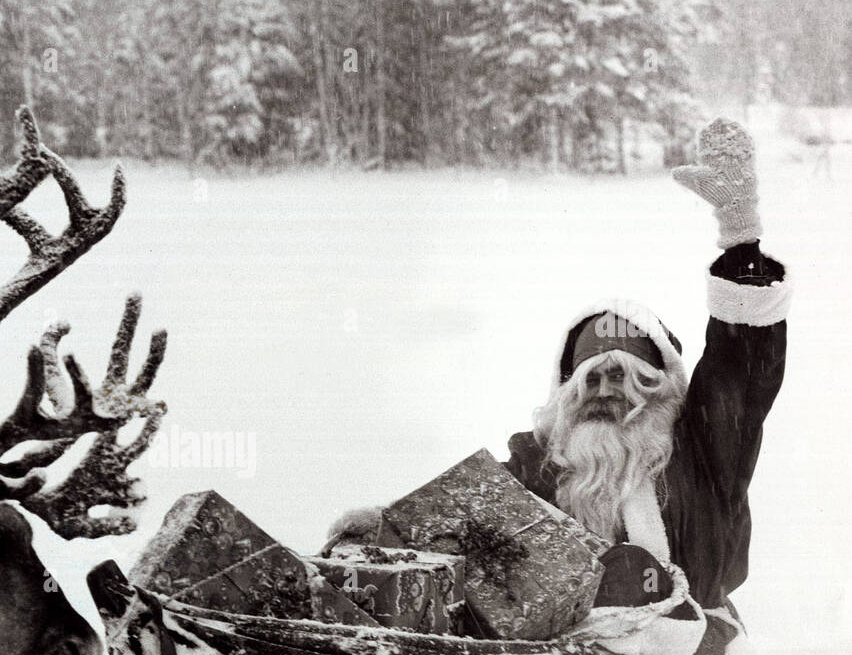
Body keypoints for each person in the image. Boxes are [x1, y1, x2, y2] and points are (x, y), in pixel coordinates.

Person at [328, 118, 792, 617]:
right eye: (591, 378)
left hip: (696, 645)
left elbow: (740, 370)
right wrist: (386, 533)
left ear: (657, 389)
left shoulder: (705, 447)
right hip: (566, 649)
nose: (604, 392)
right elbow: (460, 525)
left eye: (623, 377)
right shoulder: (537, 466)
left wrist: (741, 238)